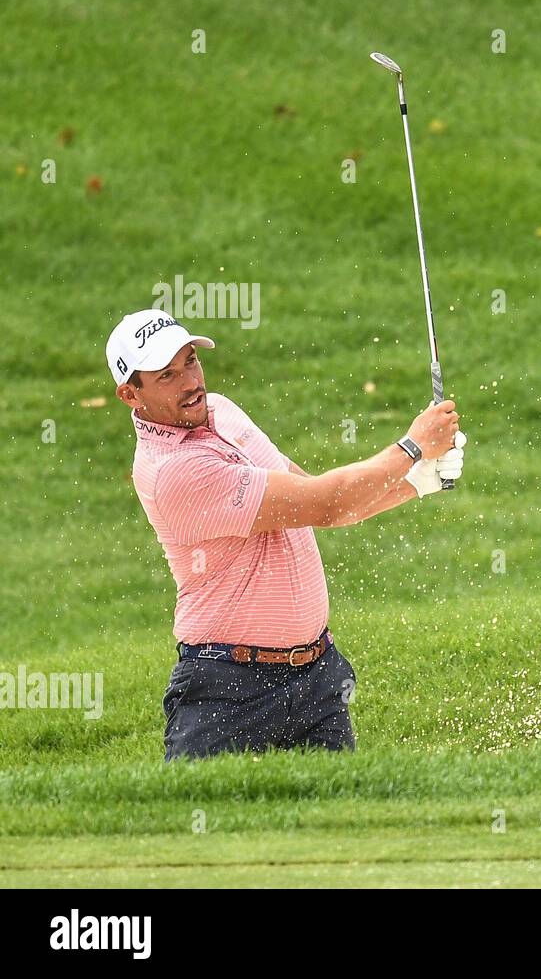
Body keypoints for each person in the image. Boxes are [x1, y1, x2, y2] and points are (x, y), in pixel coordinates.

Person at [105, 309, 466, 760]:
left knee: (341, 824)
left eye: (191, 361)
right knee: (203, 823)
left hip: (316, 679)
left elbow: (314, 498)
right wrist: (411, 448)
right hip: (228, 692)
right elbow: (325, 504)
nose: (190, 382)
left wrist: (415, 482)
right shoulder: (174, 472)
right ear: (129, 394)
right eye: (167, 376)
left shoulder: (221, 411)